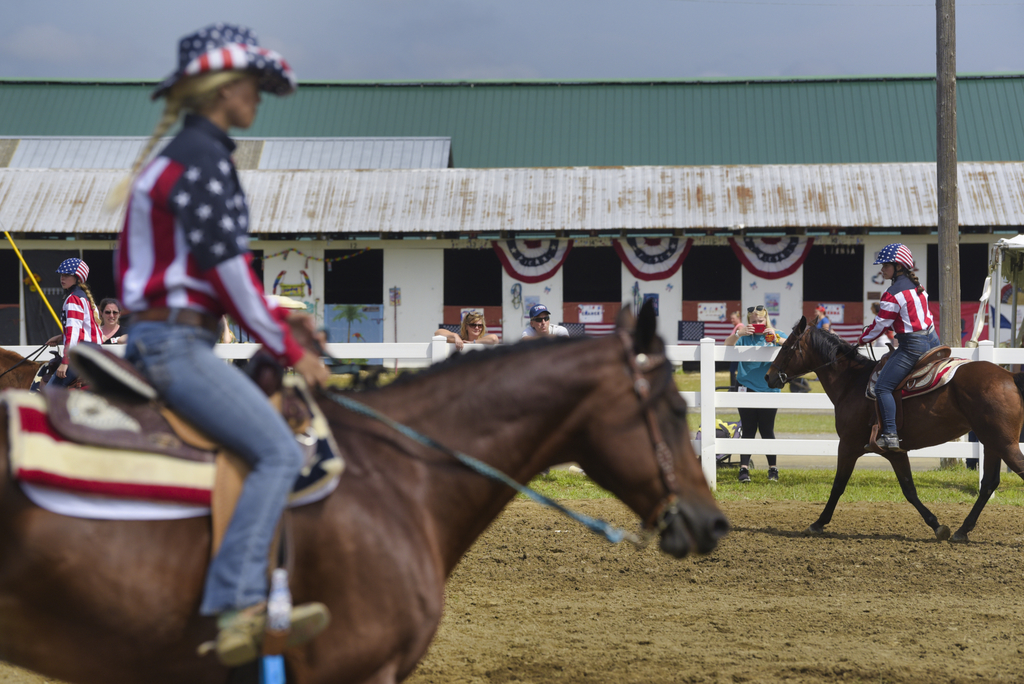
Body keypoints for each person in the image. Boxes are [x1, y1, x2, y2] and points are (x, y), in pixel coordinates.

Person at [107, 24, 331, 666]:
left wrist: (279, 328)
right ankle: (238, 609)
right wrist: (292, 348)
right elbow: (229, 271)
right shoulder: (202, 161)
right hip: (176, 344)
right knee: (278, 454)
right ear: (224, 89)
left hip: (167, 334)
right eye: (253, 87)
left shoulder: (181, 157)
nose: (259, 98)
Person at [858, 243, 940, 453]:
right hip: (933, 340)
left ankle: (890, 436)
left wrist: (862, 339)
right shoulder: (917, 286)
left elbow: (880, 325)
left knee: (882, 387)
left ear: (899, 267)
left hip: (912, 346)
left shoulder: (892, 293)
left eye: (885, 265)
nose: (882, 269)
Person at [724, 305, 786, 483]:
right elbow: (726, 346)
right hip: (745, 385)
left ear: (766, 319)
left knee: (767, 429)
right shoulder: (745, 336)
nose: (758, 324)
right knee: (748, 428)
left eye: (761, 321)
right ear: (749, 322)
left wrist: (777, 338)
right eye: (754, 321)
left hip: (770, 387)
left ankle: (773, 468)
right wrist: (739, 333)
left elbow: (792, 346)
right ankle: (743, 469)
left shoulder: (776, 333)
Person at [45, 258, 103, 386]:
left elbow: (74, 332)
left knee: (49, 392)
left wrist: (65, 362)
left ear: (77, 278)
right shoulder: (84, 297)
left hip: (81, 355)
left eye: (67, 275)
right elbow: (85, 330)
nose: (62, 278)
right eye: (61, 275)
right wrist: (61, 337)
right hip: (93, 353)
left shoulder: (73, 299)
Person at [434, 311, 499, 350]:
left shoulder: (484, 340)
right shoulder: (461, 341)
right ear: (466, 327)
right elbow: (437, 333)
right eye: (473, 325)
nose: (476, 328)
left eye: (479, 325)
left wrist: (473, 342)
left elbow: (494, 339)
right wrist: (455, 335)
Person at [728, 311, 743, 387]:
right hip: (735, 354)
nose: (732, 320)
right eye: (731, 318)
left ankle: (735, 387)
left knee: (734, 371)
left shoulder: (740, 327)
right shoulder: (737, 327)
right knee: (733, 371)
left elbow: (740, 339)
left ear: (738, 318)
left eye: (733, 318)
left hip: (737, 353)